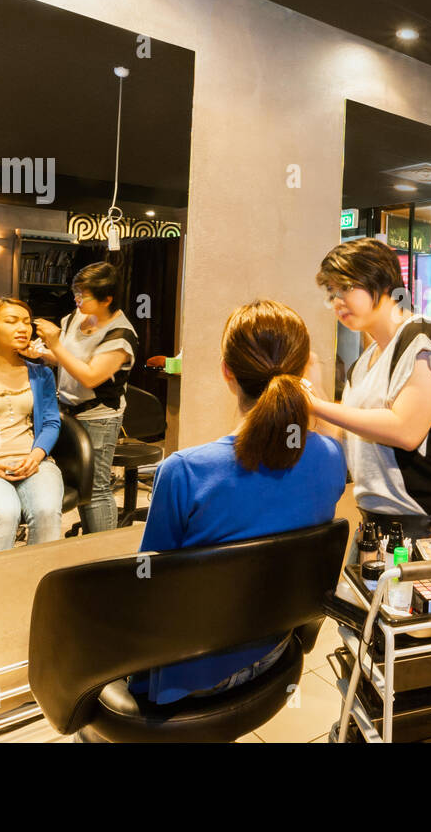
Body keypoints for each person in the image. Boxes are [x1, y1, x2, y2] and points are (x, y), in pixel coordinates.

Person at [130, 300, 346, 705]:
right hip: (276, 654)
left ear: (226, 371)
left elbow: (150, 586)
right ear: (303, 374)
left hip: (189, 674)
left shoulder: (185, 470)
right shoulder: (331, 458)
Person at [306, 237, 431, 542]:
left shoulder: (424, 339)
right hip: (376, 523)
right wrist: (313, 387)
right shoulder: (363, 365)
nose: (337, 301)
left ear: (382, 281)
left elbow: (406, 430)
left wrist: (316, 405)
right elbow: (345, 438)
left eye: (346, 287)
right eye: (331, 293)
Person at [31, 262, 138, 535]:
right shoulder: (75, 317)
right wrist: (43, 354)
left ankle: (102, 557)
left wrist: (55, 344)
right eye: (75, 291)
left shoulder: (120, 336)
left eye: (83, 295)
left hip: (98, 417)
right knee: (77, 482)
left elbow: (90, 377)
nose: (76, 299)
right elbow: (68, 361)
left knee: (96, 488)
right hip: (66, 410)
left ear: (107, 299)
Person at [0, 298, 63, 554]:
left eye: (27, 322)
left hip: (33, 461)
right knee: (4, 513)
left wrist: (36, 455)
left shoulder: (41, 374)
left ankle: (37, 586)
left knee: (46, 512)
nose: (23, 328)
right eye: (11, 321)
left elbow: (51, 422)